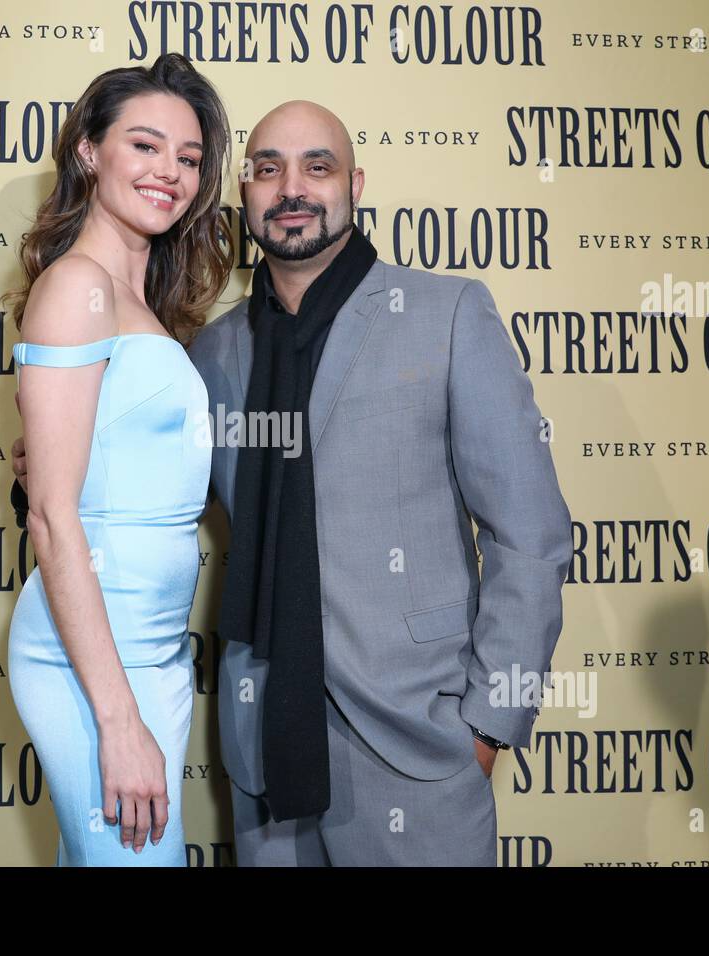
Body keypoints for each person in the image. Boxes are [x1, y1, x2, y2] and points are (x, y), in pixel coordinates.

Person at [184, 100, 574, 865]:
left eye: (316, 166)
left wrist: (490, 724)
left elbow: (531, 533)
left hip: (417, 751)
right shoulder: (215, 351)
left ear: (355, 184)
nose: (291, 187)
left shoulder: (447, 313)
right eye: (268, 169)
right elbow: (155, 496)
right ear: (246, 194)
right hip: (262, 753)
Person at [3, 52, 232, 866]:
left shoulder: (143, 301)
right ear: (89, 152)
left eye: (190, 157)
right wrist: (117, 718)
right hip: (93, 664)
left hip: (154, 651)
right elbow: (53, 516)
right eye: (144, 145)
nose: (169, 171)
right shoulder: (78, 287)